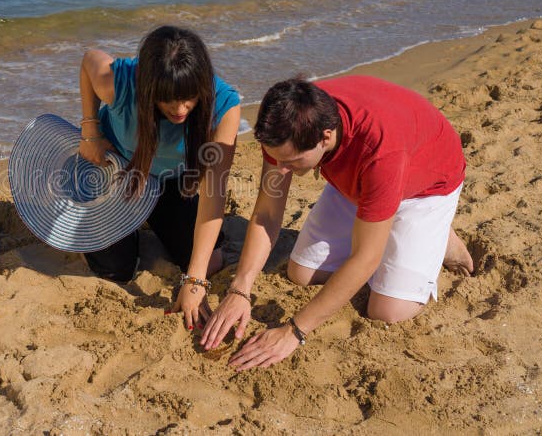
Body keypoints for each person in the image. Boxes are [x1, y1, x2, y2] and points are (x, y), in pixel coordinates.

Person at [200, 75, 474, 371]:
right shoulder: (286, 124)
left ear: (325, 137)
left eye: (291, 162)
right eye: (276, 159)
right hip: (357, 183)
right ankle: (387, 222)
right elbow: (267, 213)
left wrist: (294, 331)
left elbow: (366, 259)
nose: (280, 169)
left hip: (424, 187)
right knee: (301, 273)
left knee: (387, 310)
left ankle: (437, 232)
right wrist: (240, 289)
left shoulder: (380, 153)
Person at [78, 25, 241, 330]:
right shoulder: (121, 83)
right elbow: (90, 59)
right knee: (116, 270)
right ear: (150, 87)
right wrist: (90, 130)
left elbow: (214, 193)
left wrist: (195, 280)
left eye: (189, 99)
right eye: (167, 100)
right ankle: (123, 222)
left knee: (212, 262)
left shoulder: (224, 106)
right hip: (118, 169)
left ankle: (150, 214)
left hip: (170, 179)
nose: (179, 109)